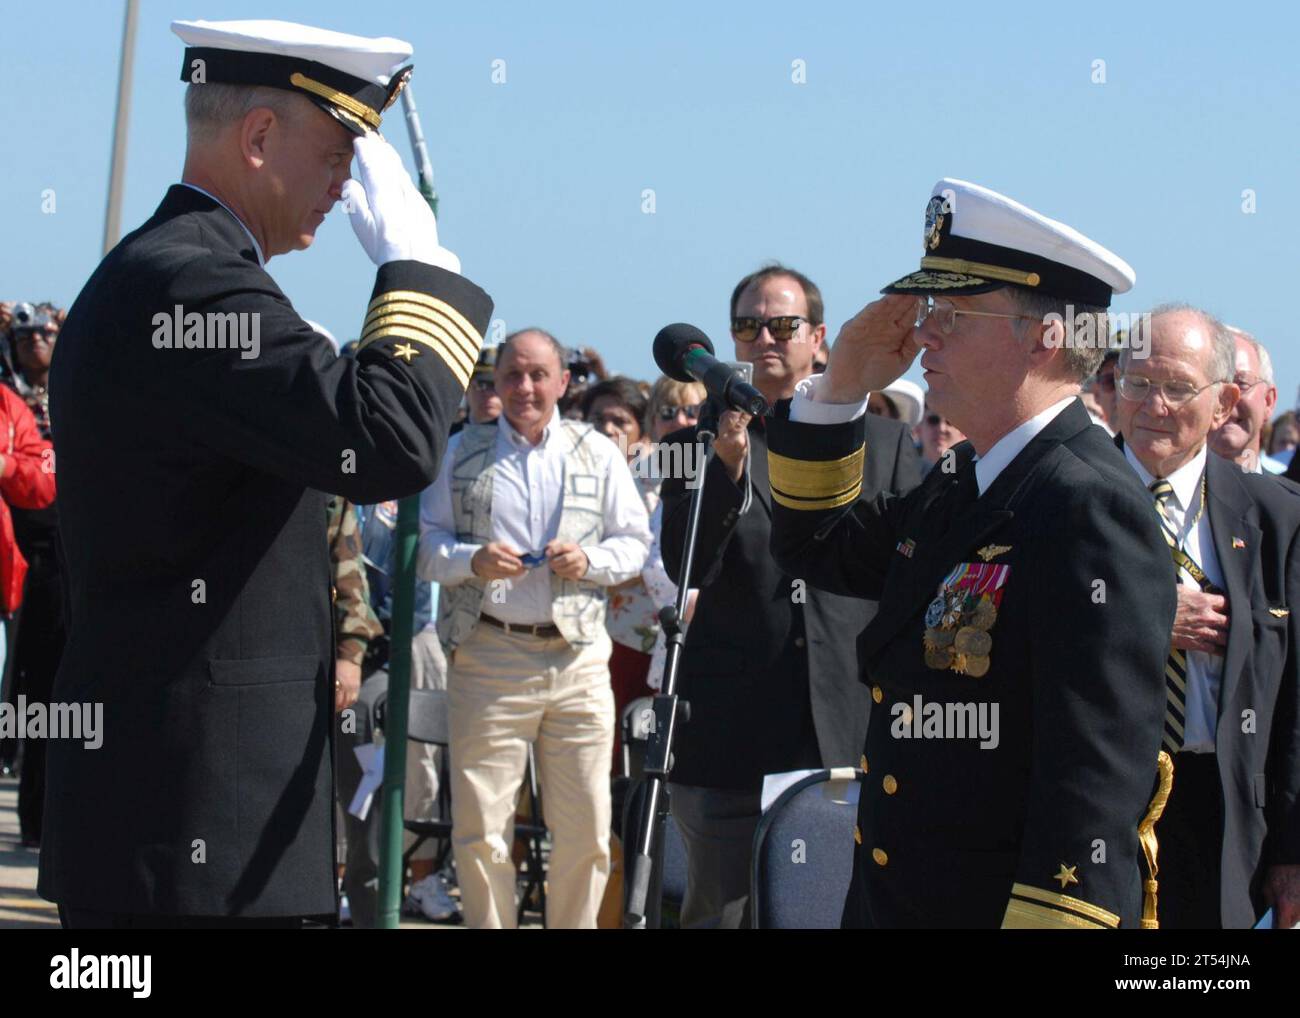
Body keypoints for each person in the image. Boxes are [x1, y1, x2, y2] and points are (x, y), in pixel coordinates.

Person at [40, 18, 492, 929]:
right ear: (257, 138)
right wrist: (420, 268)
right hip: (193, 827)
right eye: (336, 155)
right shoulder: (194, 287)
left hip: (183, 817)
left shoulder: (169, 269)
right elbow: (388, 441)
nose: (343, 188)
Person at [766, 179, 1176, 928]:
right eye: (926, 313)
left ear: (1046, 336)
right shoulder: (967, 480)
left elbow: (1091, 776)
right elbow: (816, 548)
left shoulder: (1087, 502)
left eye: (952, 315)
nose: (925, 336)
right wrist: (841, 387)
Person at [660, 263, 921, 928]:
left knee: (836, 911)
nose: (766, 339)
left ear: (820, 337)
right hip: (732, 730)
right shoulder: (697, 448)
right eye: (749, 326)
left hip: (847, 718)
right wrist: (724, 468)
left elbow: (912, 577)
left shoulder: (884, 442)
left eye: (783, 324)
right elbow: (684, 565)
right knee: (721, 913)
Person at [418, 328, 651, 929]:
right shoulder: (458, 451)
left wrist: (589, 562)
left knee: (587, 830)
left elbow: (634, 544)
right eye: (513, 375)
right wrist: (471, 561)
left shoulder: (597, 451)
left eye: (538, 375)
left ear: (562, 382)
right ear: (495, 382)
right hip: (489, 652)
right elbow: (426, 547)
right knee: (480, 829)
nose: (525, 387)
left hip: (576, 659)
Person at [1114, 304, 1300, 929]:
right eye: (1138, 383)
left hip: (1222, 814)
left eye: (1177, 388)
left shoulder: (1277, 518)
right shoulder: (1062, 497)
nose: (1153, 405)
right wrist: (1146, 623)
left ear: (1222, 404)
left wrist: (1293, 849)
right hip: (1093, 803)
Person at [1208, 328, 1285, 474]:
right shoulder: (1159, 494)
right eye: (1214, 383)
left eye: (1241, 384)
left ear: (1268, 401)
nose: (1226, 399)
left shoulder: (1288, 497)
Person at [916, 401, 966, 475]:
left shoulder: (975, 478)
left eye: (949, 422)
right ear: (918, 429)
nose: (941, 428)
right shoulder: (901, 476)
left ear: (963, 433)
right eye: (933, 420)